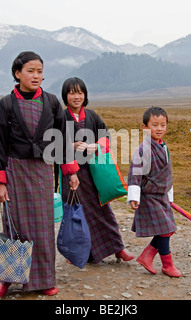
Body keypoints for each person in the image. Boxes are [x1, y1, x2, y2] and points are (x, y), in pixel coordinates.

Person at [0, 51, 79, 298]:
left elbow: (62, 140)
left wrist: (70, 171)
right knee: (13, 223)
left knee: (41, 227)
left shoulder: (51, 103)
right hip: (14, 171)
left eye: (39, 71)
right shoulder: (6, 105)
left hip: (41, 171)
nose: (36, 75)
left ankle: (45, 279)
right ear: (17, 74)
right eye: (30, 70)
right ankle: (7, 278)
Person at [59, 77, 134, 265]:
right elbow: (55, 145)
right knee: (77, 214)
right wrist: (70, 145)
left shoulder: (92, 116)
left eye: (80, 92)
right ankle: (78, 252)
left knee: (103, 210)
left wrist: (96, 145)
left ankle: (118, 248)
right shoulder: (60, 118)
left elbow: (106, 137)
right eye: (72, 92)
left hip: (93, 173)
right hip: (71, 174)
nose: (76, 96)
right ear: (65, 96)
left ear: (85, 95)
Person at [127, 106, 182, 277]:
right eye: (155, 125)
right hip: (149, 196)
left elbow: (167, 173)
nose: (159, 129)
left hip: (162, 195)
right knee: (165, 229)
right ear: (144, 127)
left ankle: (147, 255)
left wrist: (169, 195)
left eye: (163, 125)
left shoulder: (163, 147)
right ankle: (167, 265)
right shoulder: (142, 150)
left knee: (168, 228)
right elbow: (135, 173)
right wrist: (134, 197)